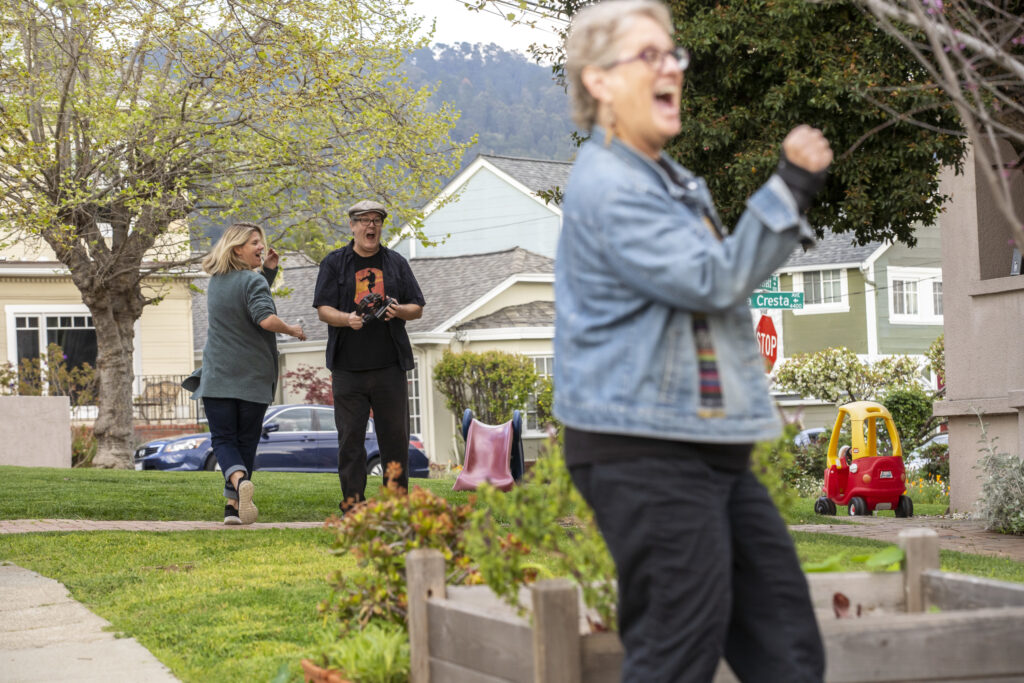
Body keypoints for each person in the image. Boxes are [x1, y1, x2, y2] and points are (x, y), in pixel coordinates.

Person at [555, 1, 832, 681]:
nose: (670, 66)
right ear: (598, 81)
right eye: (648, 55)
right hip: (647, 453)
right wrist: (789, 185)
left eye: (672, 54)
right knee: (677, 651)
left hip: (702, 447)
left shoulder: (664, 178)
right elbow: (715, 279)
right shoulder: (614, 186)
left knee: (786, 643)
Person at [186, 223, 306, 525]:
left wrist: (267, 273)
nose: (261, 247)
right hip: (251, 378)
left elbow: (245, 296)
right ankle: (240, 487)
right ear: (237, 248)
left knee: (224, 440)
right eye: (255, 242)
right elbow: (264, 318)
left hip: (218, 376)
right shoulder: (252, 283)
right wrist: (291, 329)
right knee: (245, 441)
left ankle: (233, 506)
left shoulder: (217, 282)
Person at [313, 200, 425, 509]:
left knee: (395, 440)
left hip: (390, 367)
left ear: (381, 226)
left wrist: (397, 310)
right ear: (352, 226)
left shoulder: (396, 263)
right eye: (363, 220)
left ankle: (396, 503)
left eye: (376, 220)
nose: (370, 226)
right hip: (348, 369)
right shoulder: (334, 263)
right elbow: (323, 309)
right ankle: (353, 503)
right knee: (350, 440)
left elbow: (417, 307)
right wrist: (346, 319)